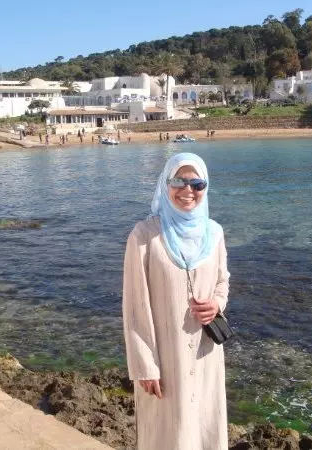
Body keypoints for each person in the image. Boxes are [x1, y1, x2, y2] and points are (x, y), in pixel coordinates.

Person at [123, 152, 230, 450]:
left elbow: (223, 280)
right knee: (168, 433)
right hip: (165, 360)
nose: (188, 190)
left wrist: (217, 303)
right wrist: (146, 366)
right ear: (164, 184)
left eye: (197, 183)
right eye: (178, 181)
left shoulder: (215, 232)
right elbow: (134, 306)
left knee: (205, 425)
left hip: (206, 353)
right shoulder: (144, 236)